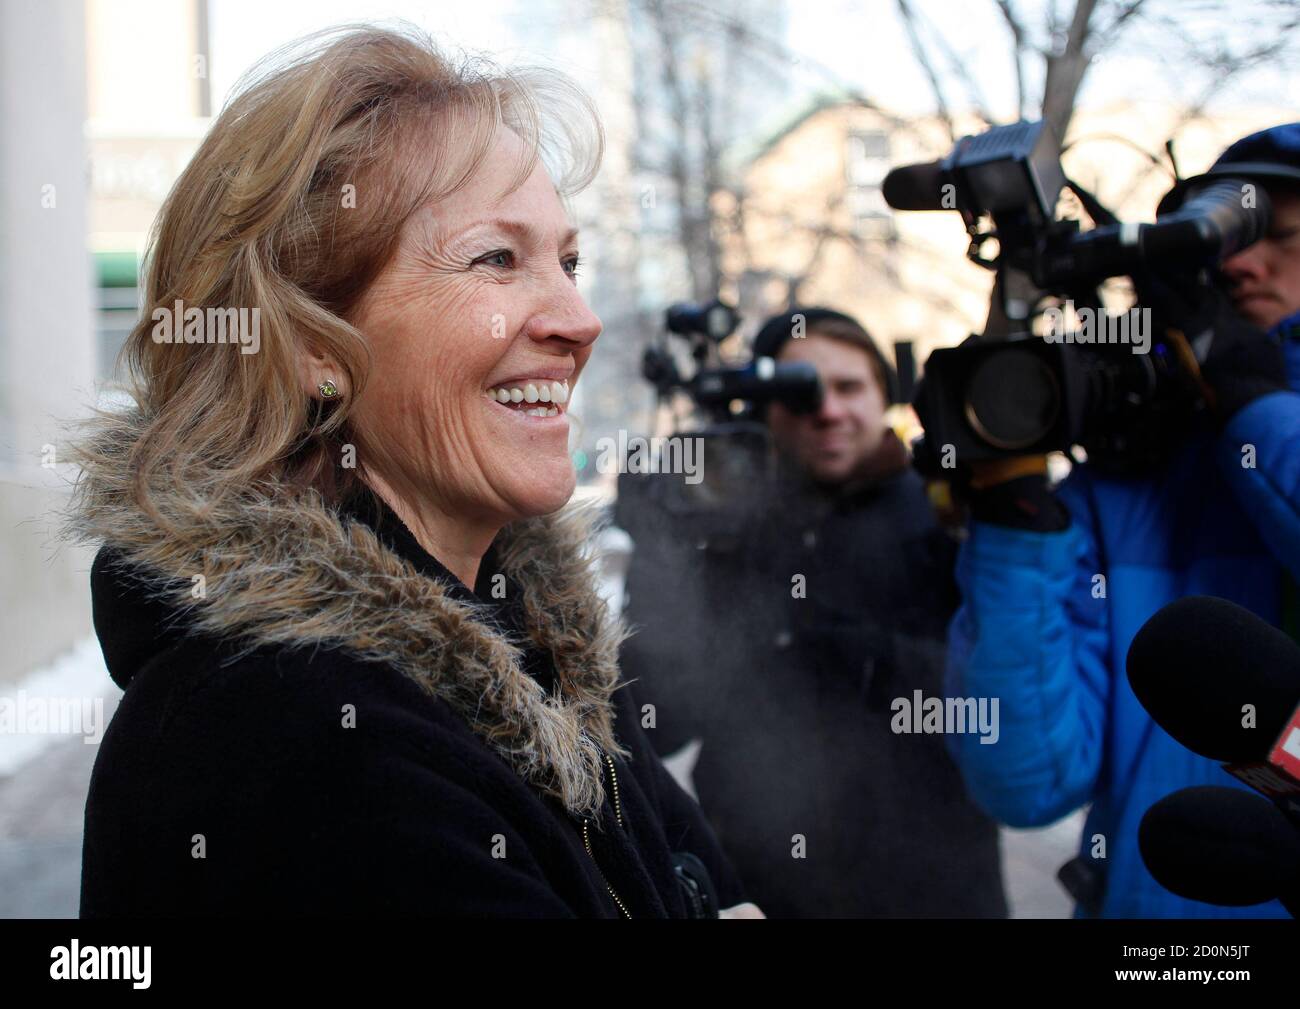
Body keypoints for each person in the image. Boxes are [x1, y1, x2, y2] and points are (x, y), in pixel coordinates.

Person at [67, 26, 759, 919]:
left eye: (570, 261)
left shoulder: (537, 651)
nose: (579, 319)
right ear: (311, 342)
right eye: (496, 259)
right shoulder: (295, 739)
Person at [944, 123, 1300, 918]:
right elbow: (1027, 780)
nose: (1239, 263)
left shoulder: (1256, 433)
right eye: (1222, 238)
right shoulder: (1134, 480)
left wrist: (1256, 406)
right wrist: (1015, 517)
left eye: (1279, 237)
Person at [620, 307, 1007, 918]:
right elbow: (655, 725)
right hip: (764, 891)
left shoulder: (949, 512)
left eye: (850, 387)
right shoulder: (725, 534)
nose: (828, 410)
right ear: (763, 410)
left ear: (886, 393)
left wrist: (840, 650)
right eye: (799, 392)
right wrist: (660, 554)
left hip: (936, 889)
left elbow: (1002, 704)